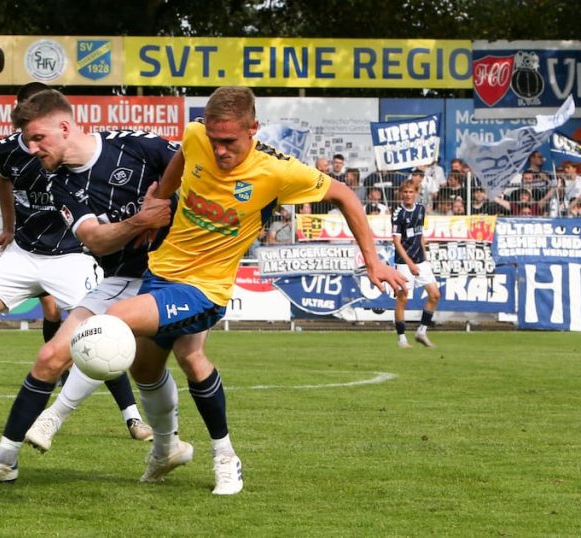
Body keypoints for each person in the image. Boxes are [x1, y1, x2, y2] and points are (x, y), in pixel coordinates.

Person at [103, 87, 407, 495]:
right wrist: (159, 201)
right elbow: (180, 159)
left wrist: (372, 260)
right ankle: (166, 449)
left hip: (207, 288)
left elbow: (344, 194)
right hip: (163, 271)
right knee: (157, 367)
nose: (220, 150)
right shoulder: (196, 137)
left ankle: (225, 457)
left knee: (114, 323)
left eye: (229, 141)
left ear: (253, 130)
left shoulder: (278, 171)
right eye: (215, 140)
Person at [0, 89, 176, 486]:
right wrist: (142, 220)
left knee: (181, 362)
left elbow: (195, 165)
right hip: (112, 274)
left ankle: (204, 449)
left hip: (177, 272)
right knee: (55, 354)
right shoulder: (60, 184)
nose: (31, 148)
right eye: (27, 139)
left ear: (64, 125)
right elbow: (99, 240)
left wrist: (167, 198)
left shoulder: (137, 145)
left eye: (38, 138)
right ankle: (2, 454)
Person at [391, 180, 439, 349]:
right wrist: (410, 264)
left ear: (416, 193)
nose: (408, 195)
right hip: (404, 263)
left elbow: (420, 234)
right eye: (405, 192)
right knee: (402, 299)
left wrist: (424, 255)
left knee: (435, 295)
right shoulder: (398, 213)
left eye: (411, 192)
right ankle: (401, 339)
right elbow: (396, 241)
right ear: (401, 194)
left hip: (420, 261)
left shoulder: (420, 209)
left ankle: (421, 332)